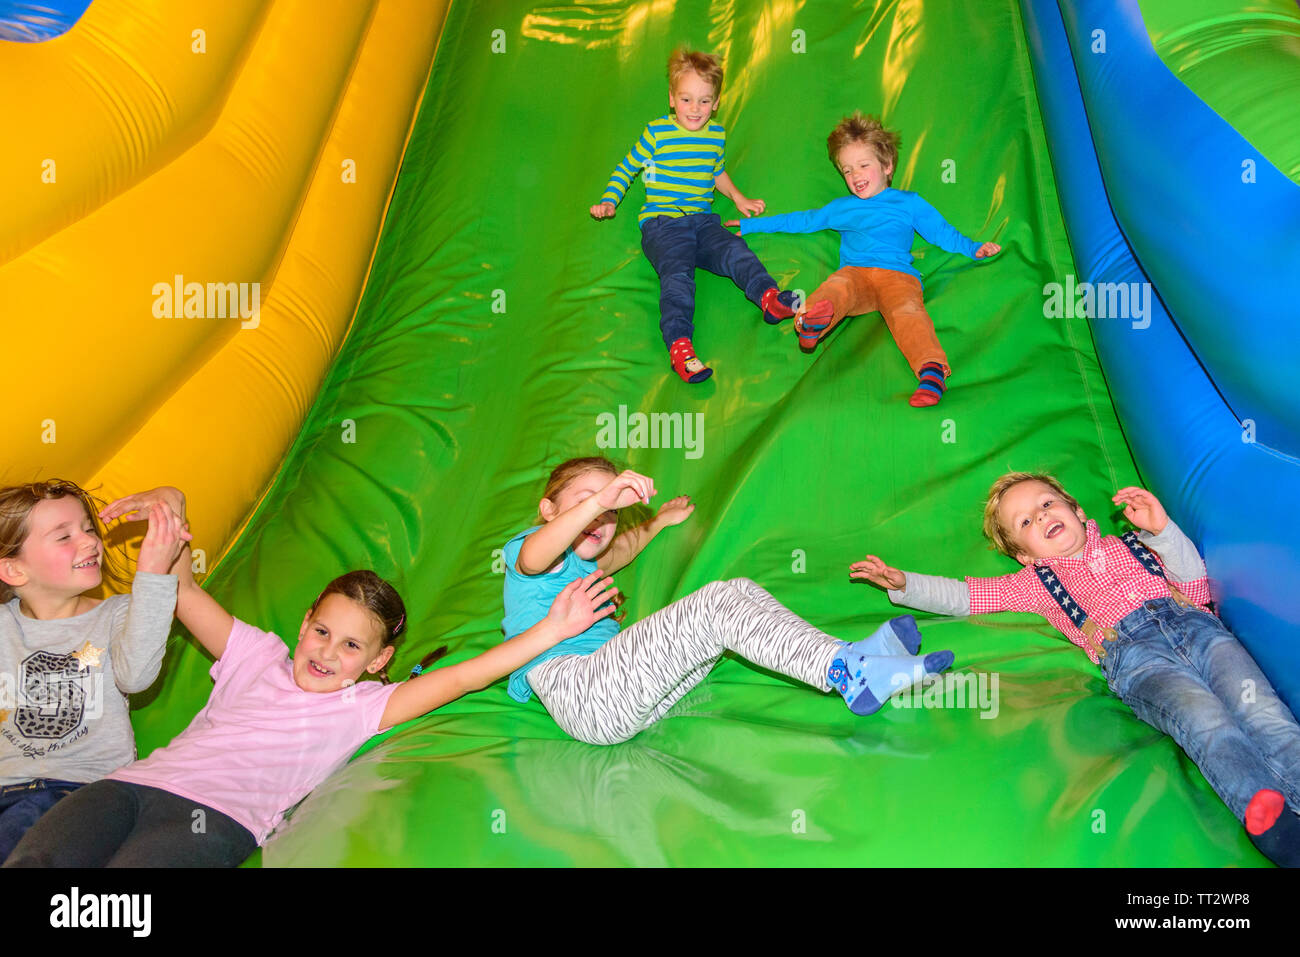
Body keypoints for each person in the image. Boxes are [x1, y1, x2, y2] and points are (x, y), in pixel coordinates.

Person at [4, 487, 613, 867]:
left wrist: (551, 631)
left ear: (377, 662)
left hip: (219, 817)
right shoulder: (255, 653)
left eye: (352, 646)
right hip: (127, 787)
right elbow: (180, 588)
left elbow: (465, 677)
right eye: (322, 632)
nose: (327, 652)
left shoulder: (365, 705)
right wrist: (173, 506)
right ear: (304, 623)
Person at [851, 472, 1300, 865]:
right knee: (1204, 722)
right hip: (1137, 658)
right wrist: (905, 585)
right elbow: (967, 595)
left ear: (1078, 509)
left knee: (1261, 707)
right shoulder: (1035, 584)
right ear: (1024, 555)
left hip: (1197, 627)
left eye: (1047, 503)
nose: (1042, 516)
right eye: (1025, 522)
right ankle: (1276, 826)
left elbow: (1196, 585)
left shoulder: (1133, 542)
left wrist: (1161, 531)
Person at [501, 456, 954, 745]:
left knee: (738, 591)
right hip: (583, 694)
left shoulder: (587, 559)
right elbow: (539, 553)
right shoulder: (531, 553)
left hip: (629, 700)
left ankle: (852, 657)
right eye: (587, 504)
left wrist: (657, 522)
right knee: (715, 604)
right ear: (549, 510)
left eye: (610, 513)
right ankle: (847, 675)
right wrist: (600, 498)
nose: (602, 516)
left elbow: (620, 548)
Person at [732, 111, 1000, 406]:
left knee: (907, 313)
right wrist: (752, 225)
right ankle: (810, 322)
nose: (855, 176)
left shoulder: (908, 203)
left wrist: (973, 247)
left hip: (897, 276)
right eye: (847, 170)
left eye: (863, 165)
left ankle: (931, 370)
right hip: (855, 274)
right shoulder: (843, 207)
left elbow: (940, 232)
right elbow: (804, 220)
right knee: (835, 290)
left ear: (887, 165)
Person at [0, 479, 185, 861]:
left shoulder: (117, 613)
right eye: (63, 536)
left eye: (87, 528)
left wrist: (153, 568)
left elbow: (135, 676)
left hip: (83, 795)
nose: (90, 541)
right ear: (14, 570)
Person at [591, 47, 799, 383]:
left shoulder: (716, 135)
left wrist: (739, 197)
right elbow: (627, 168)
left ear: (716, 102)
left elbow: (716, 171)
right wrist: (609, 200)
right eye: (686, 99)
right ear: (672, 99)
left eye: (704, 101)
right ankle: (680, 347)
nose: (695, 109)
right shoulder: (657, 133)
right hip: (663, 224)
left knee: (735, 250)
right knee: (678, 276)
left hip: (703, 222)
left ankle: (769, 297)